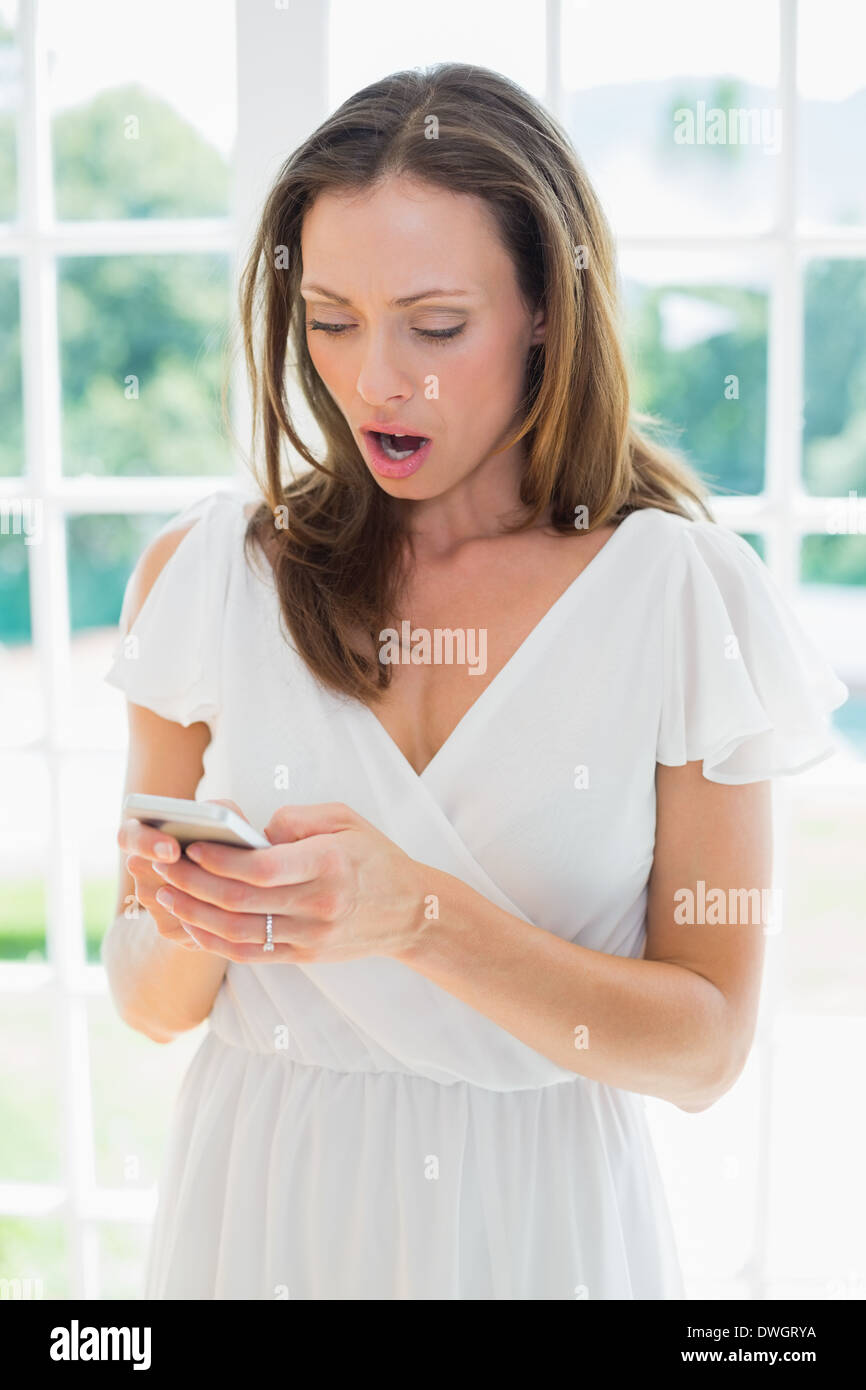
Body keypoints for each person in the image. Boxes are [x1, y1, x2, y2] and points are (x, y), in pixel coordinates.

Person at [101, 62, 848, 1300]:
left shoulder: (675, 595)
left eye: (434, 325)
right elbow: (148, 1000)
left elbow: (704, 1049)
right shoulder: (204, 575)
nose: (376, 379)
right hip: (257, 1209)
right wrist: (192, 916)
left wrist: (418, 916)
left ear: (546, 307)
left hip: (536, 1228)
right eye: (330, 320)